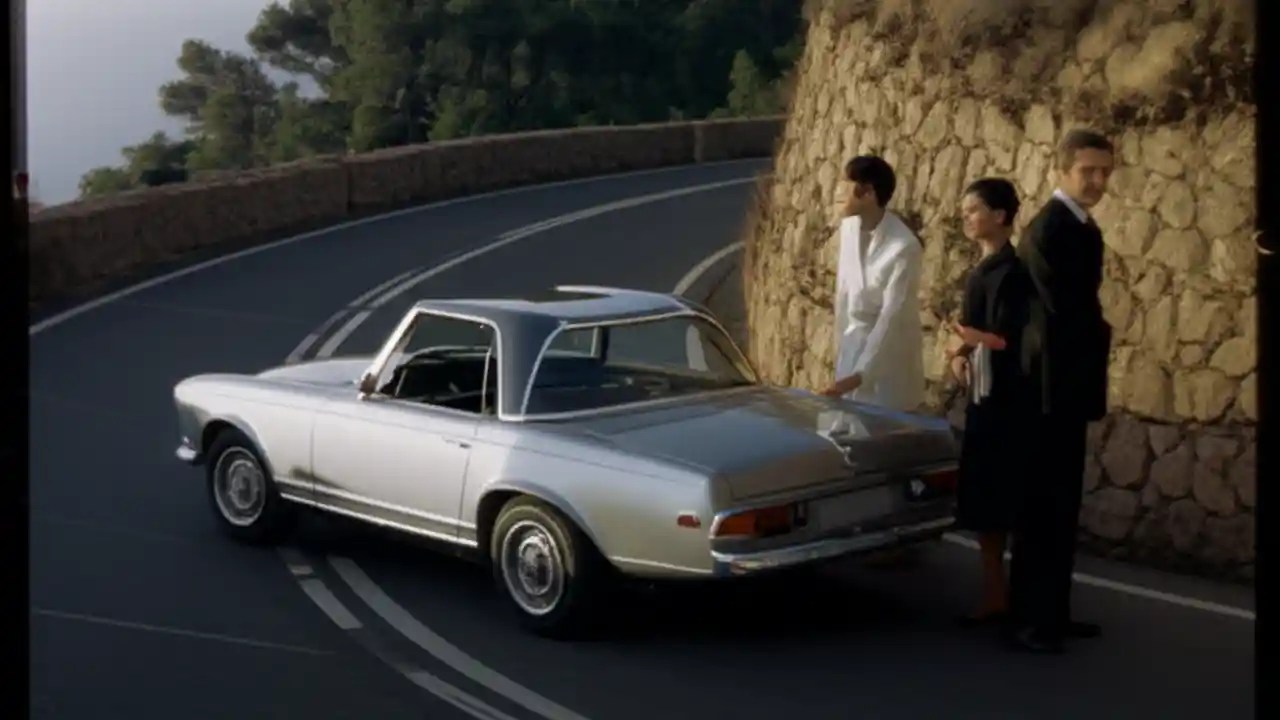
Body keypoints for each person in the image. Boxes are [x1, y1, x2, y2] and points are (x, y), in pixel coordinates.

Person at [1006, 129, 1115, 654]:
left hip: (1065, 388)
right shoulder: (1050, 228)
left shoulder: (1078, 225)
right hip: (1048, 390)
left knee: (1062, 504)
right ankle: (1030, 619)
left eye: (1104, 171)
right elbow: (1062, 313)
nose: (1097, 181)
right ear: (1062, 171)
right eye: (1087, 171)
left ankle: (1054, 612)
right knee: (1043, 506)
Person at [945, 178, 1038, 628]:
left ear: (1000, 216)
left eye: (974, 209)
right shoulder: (982, 270)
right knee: (986, 500)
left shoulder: (1013, 274)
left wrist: (972, 342)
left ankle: (1006, 595)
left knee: (1003, 498)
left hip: (1005, 402)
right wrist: (959, 353)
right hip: (982, 395)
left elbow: (1007, 338)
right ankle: (995, 593)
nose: (966, 217)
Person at [821, 155, 925, 413]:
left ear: (867, 192)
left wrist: (860, 374)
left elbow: (892, 317)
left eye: (847, 184)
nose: (838, 192)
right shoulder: (849, 230)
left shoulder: (904, 247)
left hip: (887, 364)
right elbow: (844, 299)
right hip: (850, 352)